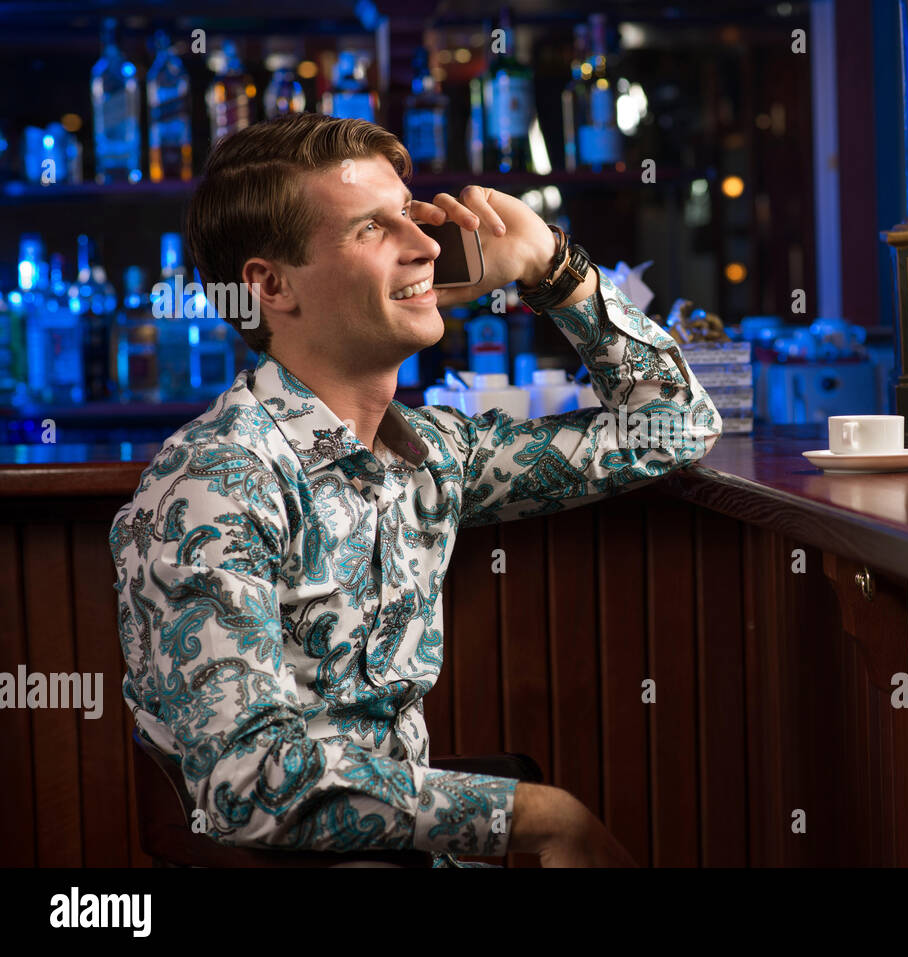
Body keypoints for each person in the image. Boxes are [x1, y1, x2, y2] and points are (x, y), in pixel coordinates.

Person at [109, 112, 722, 868]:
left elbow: (674, 426)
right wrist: (534, 815)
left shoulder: (432, 454)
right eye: (373, 230)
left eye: (413, 216)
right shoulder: (215, 481)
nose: (428, 244)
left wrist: (549, 268)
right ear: (271, 286)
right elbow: (248, 782)